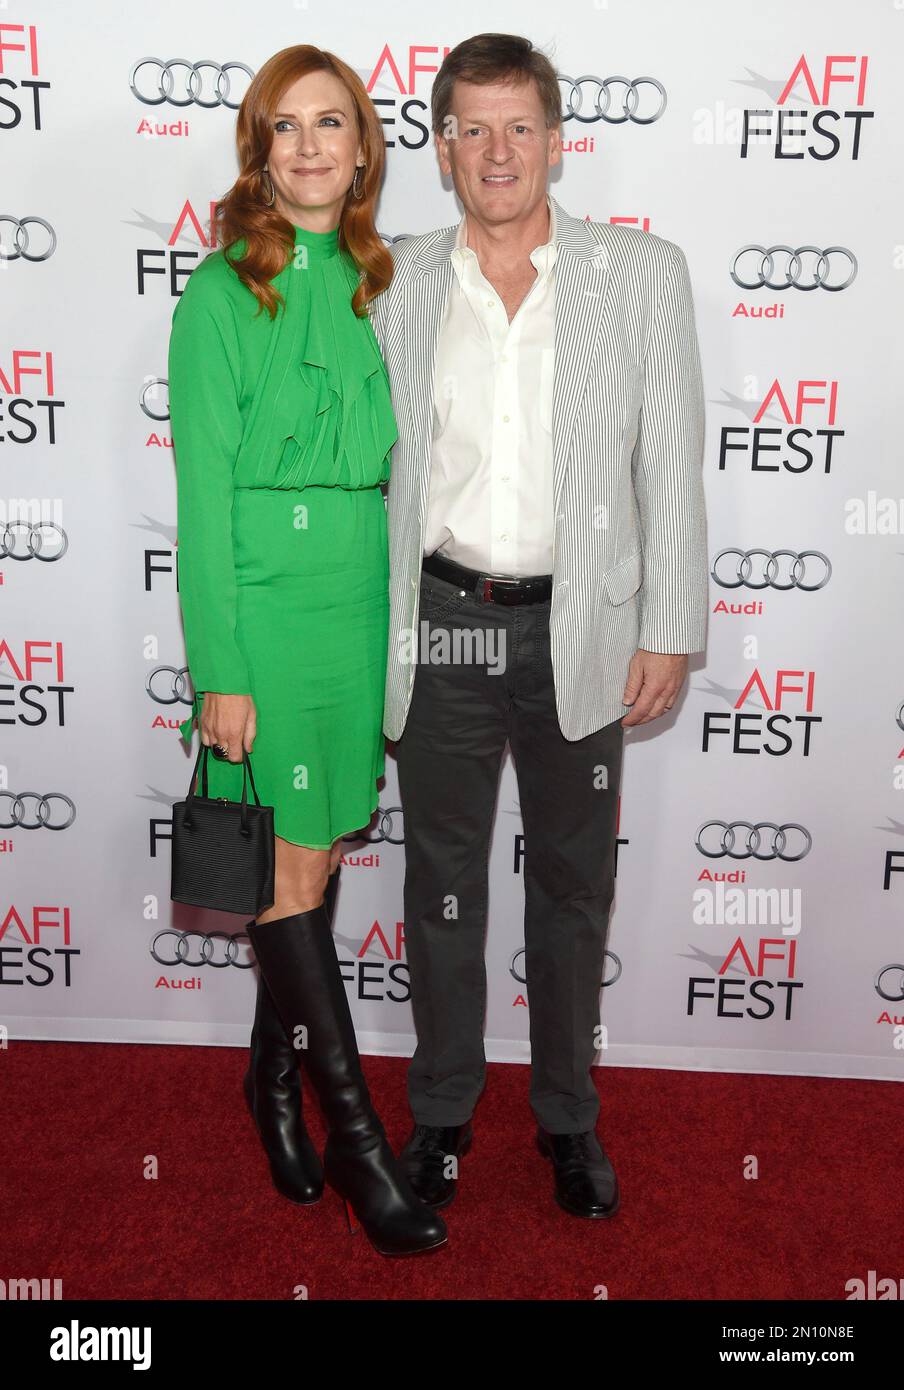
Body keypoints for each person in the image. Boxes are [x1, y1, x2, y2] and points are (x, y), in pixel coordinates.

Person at [369, 33, 708, 1219]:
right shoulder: (392, 280)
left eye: (520, 127)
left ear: (559, 143)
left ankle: (567, 1119)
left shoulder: (642, 275)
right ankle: (446, 1116)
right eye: (472, 128)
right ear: (443, 147)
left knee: (572, 890)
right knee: (442, 885)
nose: (497, 151)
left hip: (582, 628)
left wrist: (667, 624)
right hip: (446, 620)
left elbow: (669, 462)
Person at [167, 44, 445, 1257]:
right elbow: (201, 497)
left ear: (364, 146)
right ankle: (360, 1149)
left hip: (355, 600)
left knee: (316, 867)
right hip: (267, 613)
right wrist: (221, 666)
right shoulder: (222, 294)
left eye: (332, 123)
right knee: (288, 881)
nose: (312, 146)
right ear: (259, 151)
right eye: (287, 128)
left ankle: (267, 1088)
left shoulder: (388, 281)